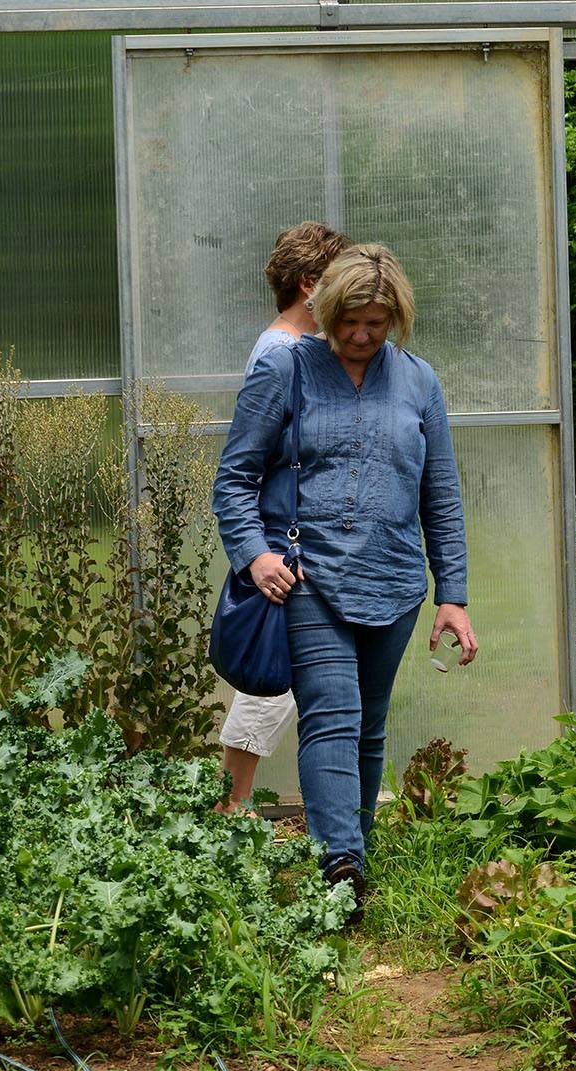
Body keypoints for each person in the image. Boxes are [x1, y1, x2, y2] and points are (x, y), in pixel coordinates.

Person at [213, 244, 475, 914]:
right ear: (327, 312)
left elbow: (441, 496)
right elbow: (235, 477)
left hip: (393, 582)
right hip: (309, 578)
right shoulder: (285, 370)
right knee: (332, 716)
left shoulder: (419, 382)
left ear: (396, 320)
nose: (361, 335)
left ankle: (355, 850)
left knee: (369, 725)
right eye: (350, 321)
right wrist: (254, 554)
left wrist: (452, 595)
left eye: (376, 323)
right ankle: (341, 864)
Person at [215, 220, 349, 815]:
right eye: (337, 280)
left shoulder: (298, 347)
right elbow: (251, 464)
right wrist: (261, 552)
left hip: (291, 541)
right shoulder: (282, 352)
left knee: (287, 680)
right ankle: (230, 807)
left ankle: (232, 805)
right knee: (271, 681)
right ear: (308, 285)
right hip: (283, 544)